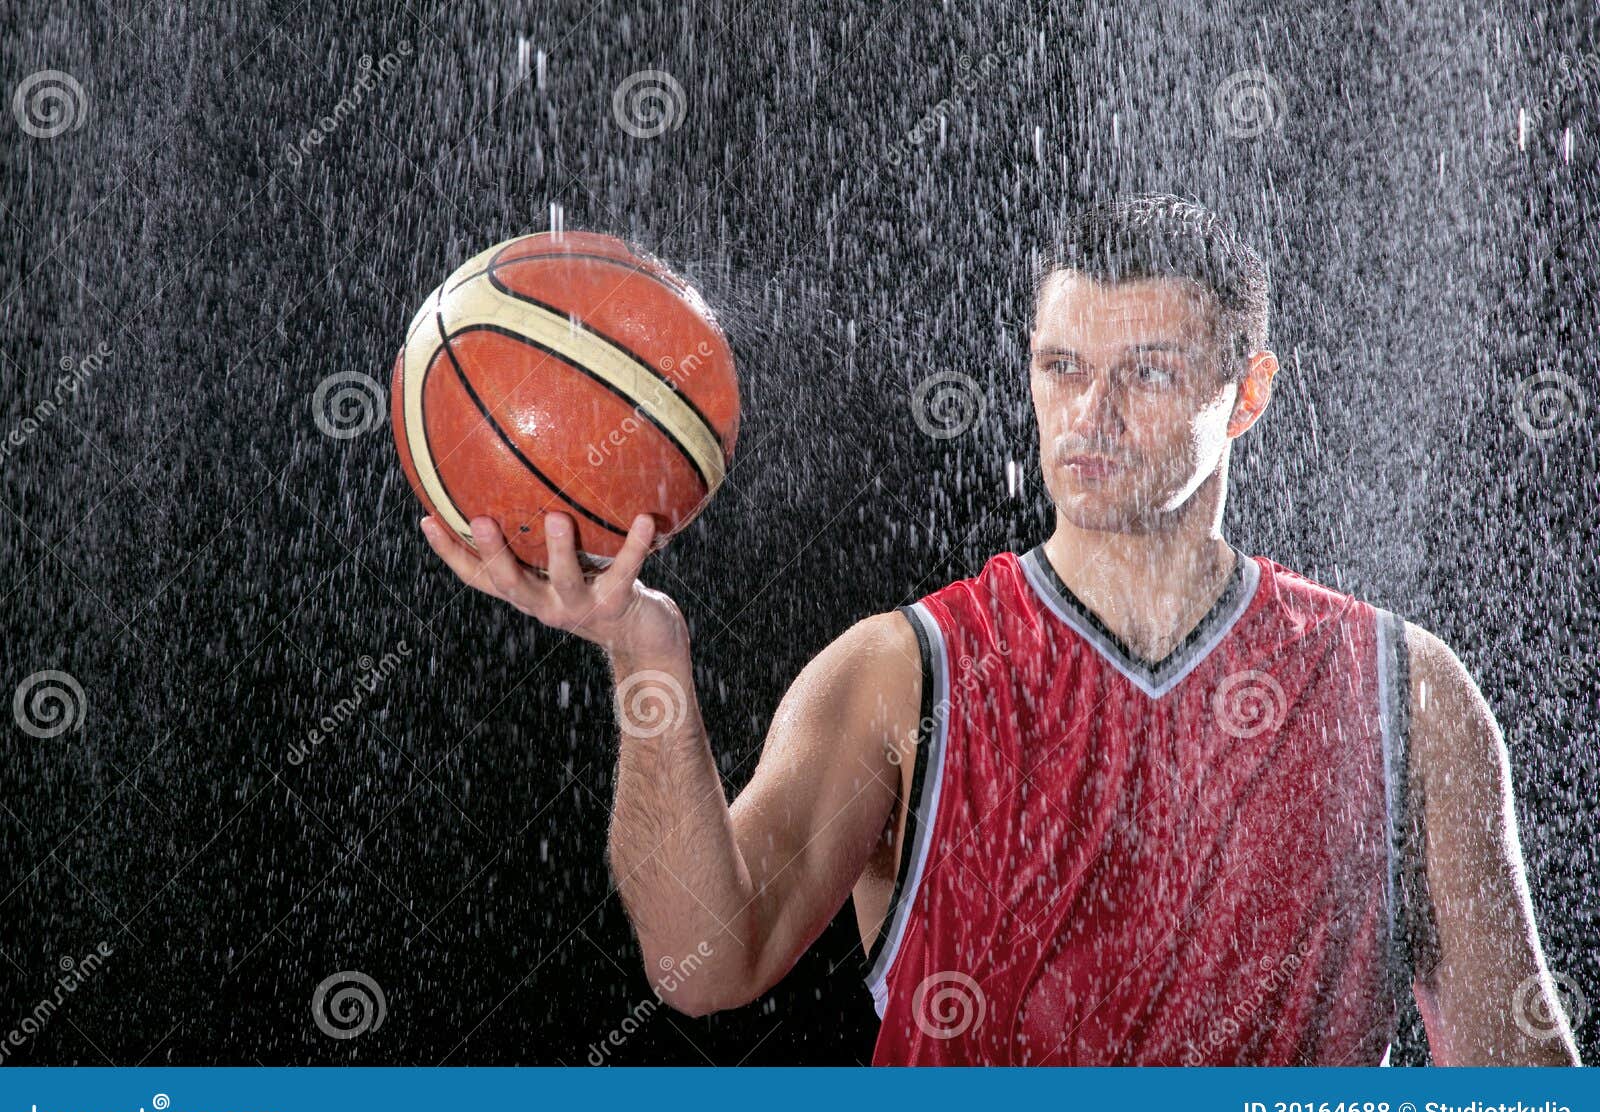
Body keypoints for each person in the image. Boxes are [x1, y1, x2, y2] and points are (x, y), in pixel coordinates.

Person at [419, 194, 1582, 1066]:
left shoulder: (1404, 690)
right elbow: (702, 964)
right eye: (1061, 367)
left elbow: (1513, 1087)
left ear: (1250, 390)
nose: (1093, 414)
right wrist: (643, 660)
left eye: (1151, 374)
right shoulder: (898, 676)